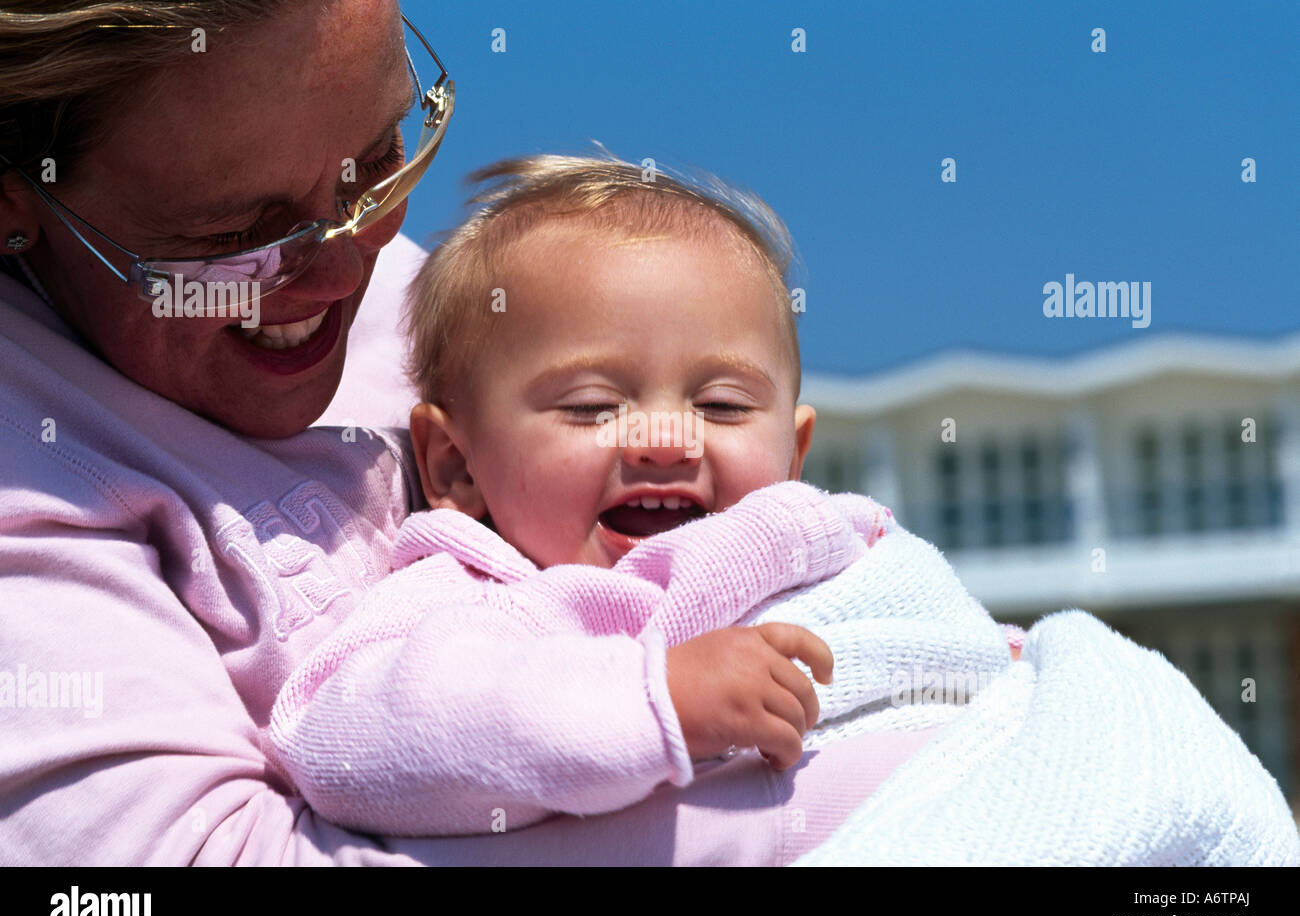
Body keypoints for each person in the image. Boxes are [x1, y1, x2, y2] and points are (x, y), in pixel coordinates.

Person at [0, 0, 972, 866]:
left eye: (381, 161)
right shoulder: (29, 486)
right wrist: (866, 790)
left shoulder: (440, 302)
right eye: (234, 237)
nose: (349, 274)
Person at [267, 153, 970, 838]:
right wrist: (648, 697)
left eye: (722, 405)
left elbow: (953, 653)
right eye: (591, 405)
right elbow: (347, 741)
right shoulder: (477, 601)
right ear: (457, 467)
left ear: (795, 453)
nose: (665, 439)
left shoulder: (834, 543)